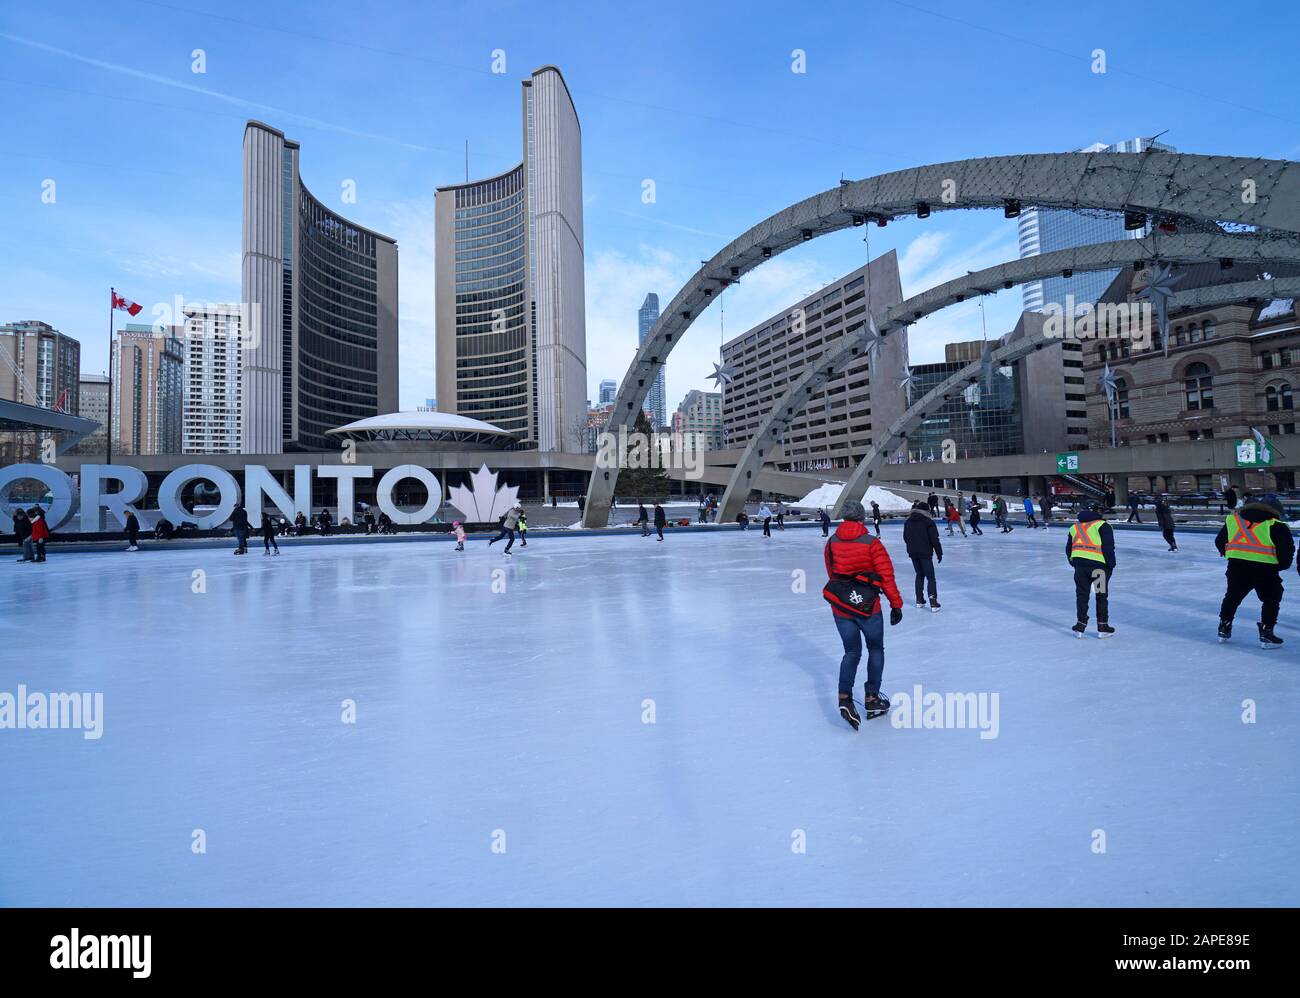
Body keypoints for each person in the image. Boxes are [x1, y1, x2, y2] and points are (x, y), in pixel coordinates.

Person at [822, 499, 904, 730]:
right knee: (875, 649)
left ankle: (845, 697)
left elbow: (832, 573)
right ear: (861, 517)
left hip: (841, 607)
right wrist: (896, 604)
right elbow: (886, 575)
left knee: (851, 652)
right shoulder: (872, 543)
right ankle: (871, 698)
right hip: (869, 608)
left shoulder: (832, 542)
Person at [1215, 500, 1293, 647]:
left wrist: (1232, 555)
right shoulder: (1278, 526)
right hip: (1266, 570)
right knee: (1271, 599)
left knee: (1232, 597)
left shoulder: (1234, 521)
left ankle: (1224, 626)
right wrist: (1280, 566)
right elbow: (1286, 555)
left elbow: (1219, 541)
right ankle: (1267, 632)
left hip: (1236, 568)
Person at [1066, 504, 1117, 637]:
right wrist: (1111, 565)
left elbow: (1068, 549)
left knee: (1081, 596)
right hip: (1099, 567)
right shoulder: (1103, 526)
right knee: (1101, 595)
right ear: (1098, 513)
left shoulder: (1074, 527)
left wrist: (1074, 563)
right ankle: (1103, 627)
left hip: (1080, 568)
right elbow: (1108, 548)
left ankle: (1080, 626)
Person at [903, 500, 942, 611]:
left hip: (913, 553)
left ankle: (919, 600)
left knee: (919, 575)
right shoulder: (928, 522)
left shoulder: (908, 521)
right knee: (930, 577)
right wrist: (939, 552)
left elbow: (905, 538)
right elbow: (934, 539)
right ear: (927, 510)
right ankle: (933, 602)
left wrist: (912, 547)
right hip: (925, 553)